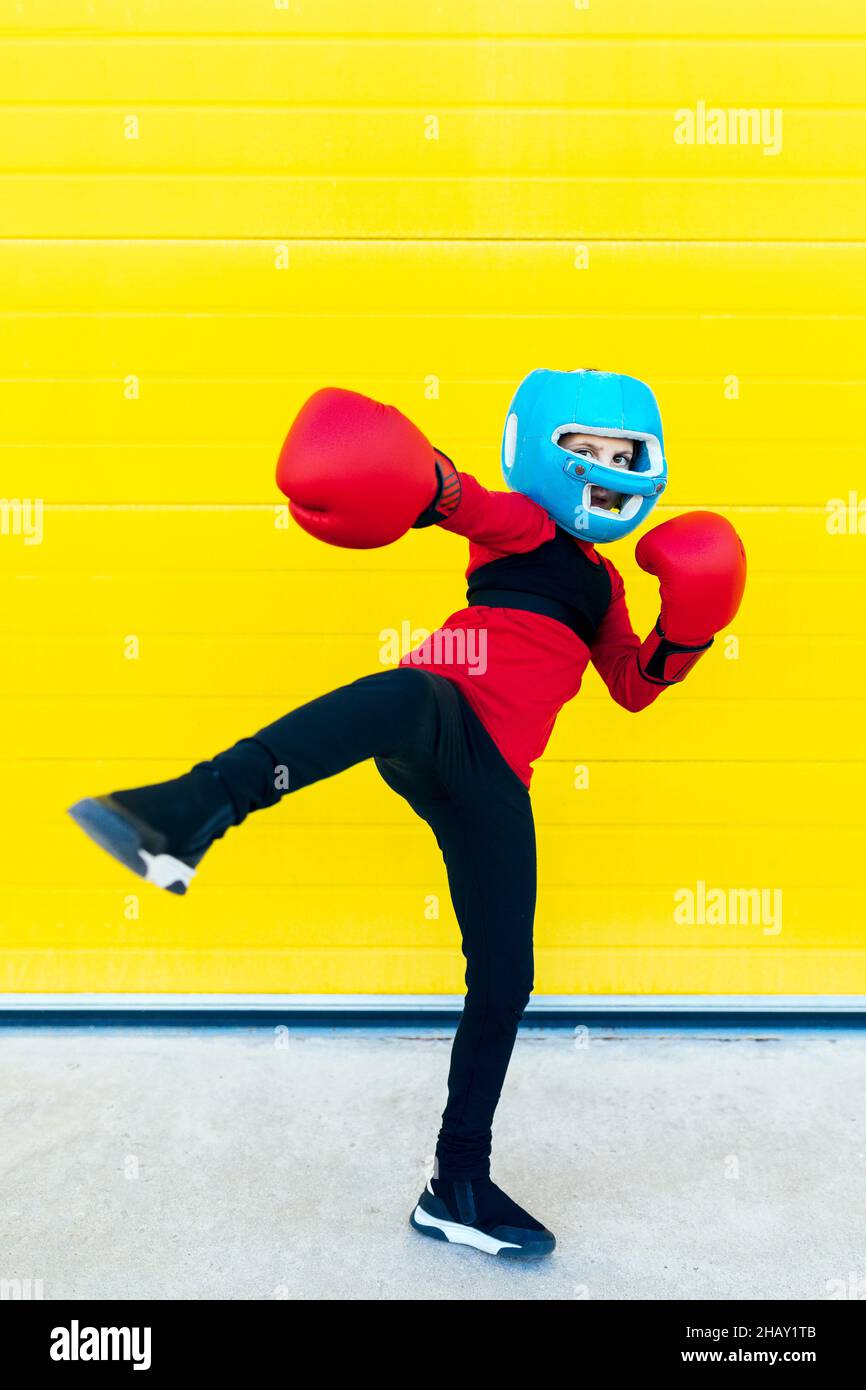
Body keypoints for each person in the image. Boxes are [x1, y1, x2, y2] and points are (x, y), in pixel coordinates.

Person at [67, 369, 746, 1261]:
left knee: (506, 977)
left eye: (627, 456)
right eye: (592, 451)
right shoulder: (528, 525)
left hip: (497, 775)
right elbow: (463, 504)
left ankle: (456, 1184)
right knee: (405, 691)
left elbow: (630, 685)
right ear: (547, 452)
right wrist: (420, 477)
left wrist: (687, 633)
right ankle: (185, 812)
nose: (612, 468)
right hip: (445, 708)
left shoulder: (609, 588)